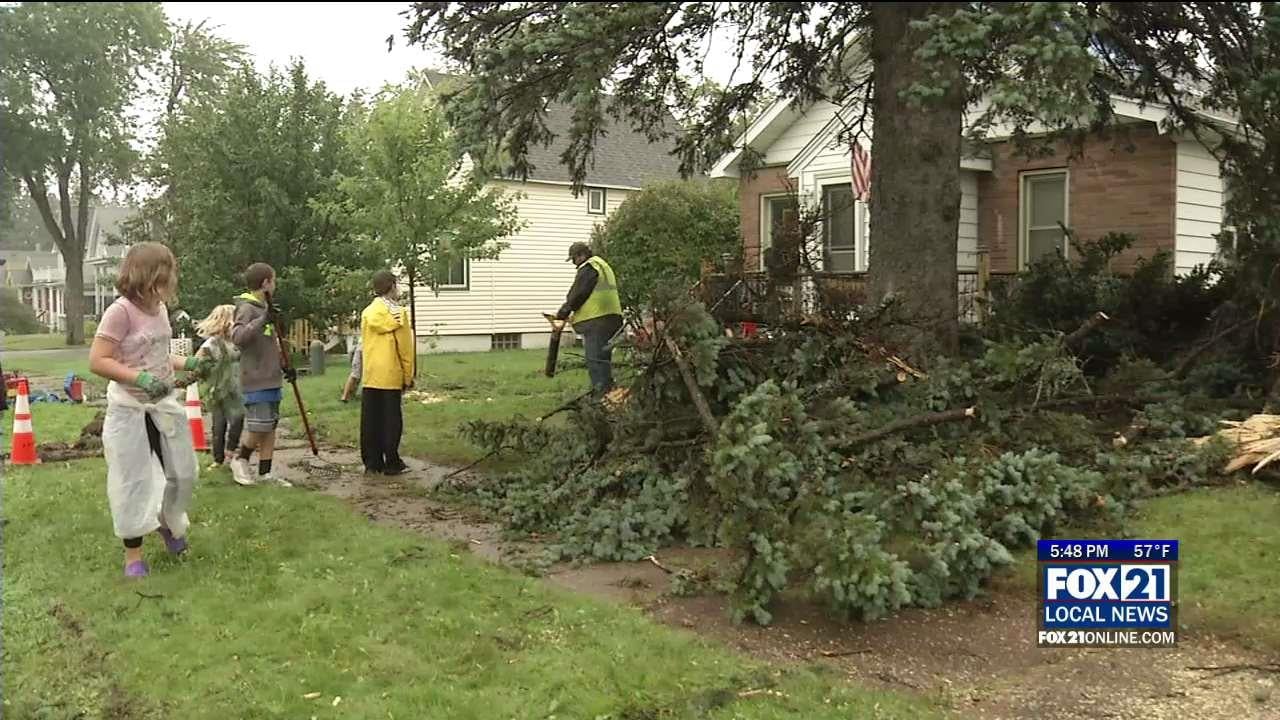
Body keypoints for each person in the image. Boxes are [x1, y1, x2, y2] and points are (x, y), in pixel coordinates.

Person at [88, 242, 212, 578]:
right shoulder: (121, 311)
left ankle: (167, 524)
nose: (173, 276)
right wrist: (138, 378)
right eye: (169, 269)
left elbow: (157, 355)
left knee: (180, 472)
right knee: (134, 479)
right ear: (151, 272)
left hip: (163, 406)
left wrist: (187, 362)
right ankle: (133, 555)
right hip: (130, 410)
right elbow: (98, 360)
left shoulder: (159, 309)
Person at [228, 263, 294, 488]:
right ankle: (240, 459)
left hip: (271, 376)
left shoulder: (267, 309)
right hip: (256, 378)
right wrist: (263, 319)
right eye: (273, 281)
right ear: (265, 283)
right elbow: (238, 337)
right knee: (259, 425)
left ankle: (266, 473)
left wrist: (286, 364)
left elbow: (272, 343)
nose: (275, 285)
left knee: (270, 426)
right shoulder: (247, 308)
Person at [359, 270, 414, 476]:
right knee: (391, 420)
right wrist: (408, 375)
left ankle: (372, 463)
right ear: (392, 286)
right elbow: (405, 348)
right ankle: (392, 461)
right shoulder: (399, 314)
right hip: (391, 373)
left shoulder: (367, 313)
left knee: (370, 420)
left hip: (371, 373)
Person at [556, 242, 623, 396]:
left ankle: (601, 396)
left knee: (595, 361)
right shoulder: (602, 265)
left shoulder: (589, 267)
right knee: (604, 360)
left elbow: (578, 294)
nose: (573, 263)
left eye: (574, 259)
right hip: (612, 318)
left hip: (597, 320)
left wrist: (563, 313)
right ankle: (611, 396)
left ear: (581, 256)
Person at [194, 305, 244, 470]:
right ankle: (219, 459)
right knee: (219, 424)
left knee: (237, 419)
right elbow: (198, 360)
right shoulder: (212, 343)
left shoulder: (238, 340)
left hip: (237, 387)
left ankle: (230, 452)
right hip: (218, 388)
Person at [341, 337, 362, 403]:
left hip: (363, 349)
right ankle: (345, 396)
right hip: (362, 349)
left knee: (356, 375)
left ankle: (349, 395)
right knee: (355, 375)